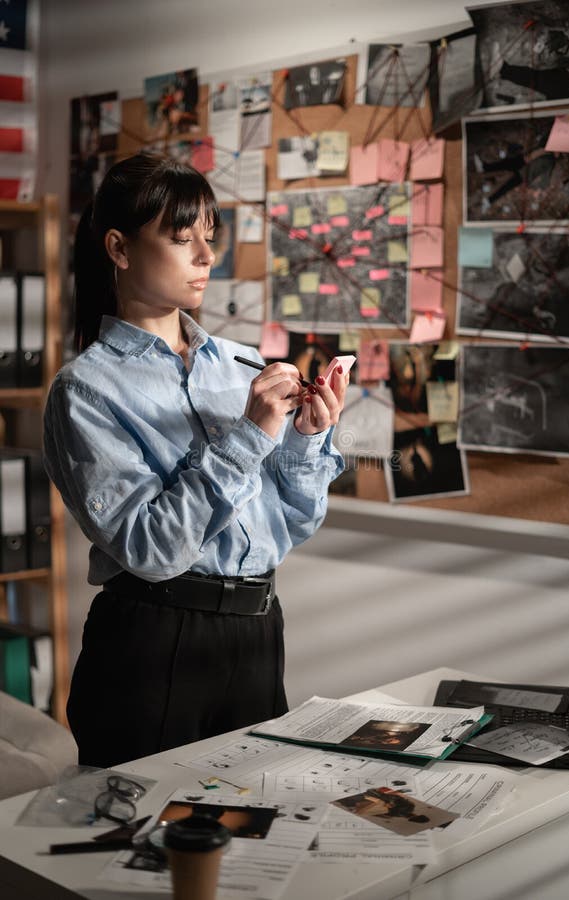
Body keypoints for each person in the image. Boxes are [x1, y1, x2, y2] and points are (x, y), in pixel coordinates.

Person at [43, 153, 347, 768]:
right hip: (155, 640)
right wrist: (249, 435)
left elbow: (289, 526)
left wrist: (304, 440)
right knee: (137, 847)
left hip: (258, 631)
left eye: (210, 237)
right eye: (183, 239)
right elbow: (151, 551)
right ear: (119, 250)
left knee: (253, 834)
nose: (206, 257)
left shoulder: (239, 364)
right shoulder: (86, 390)